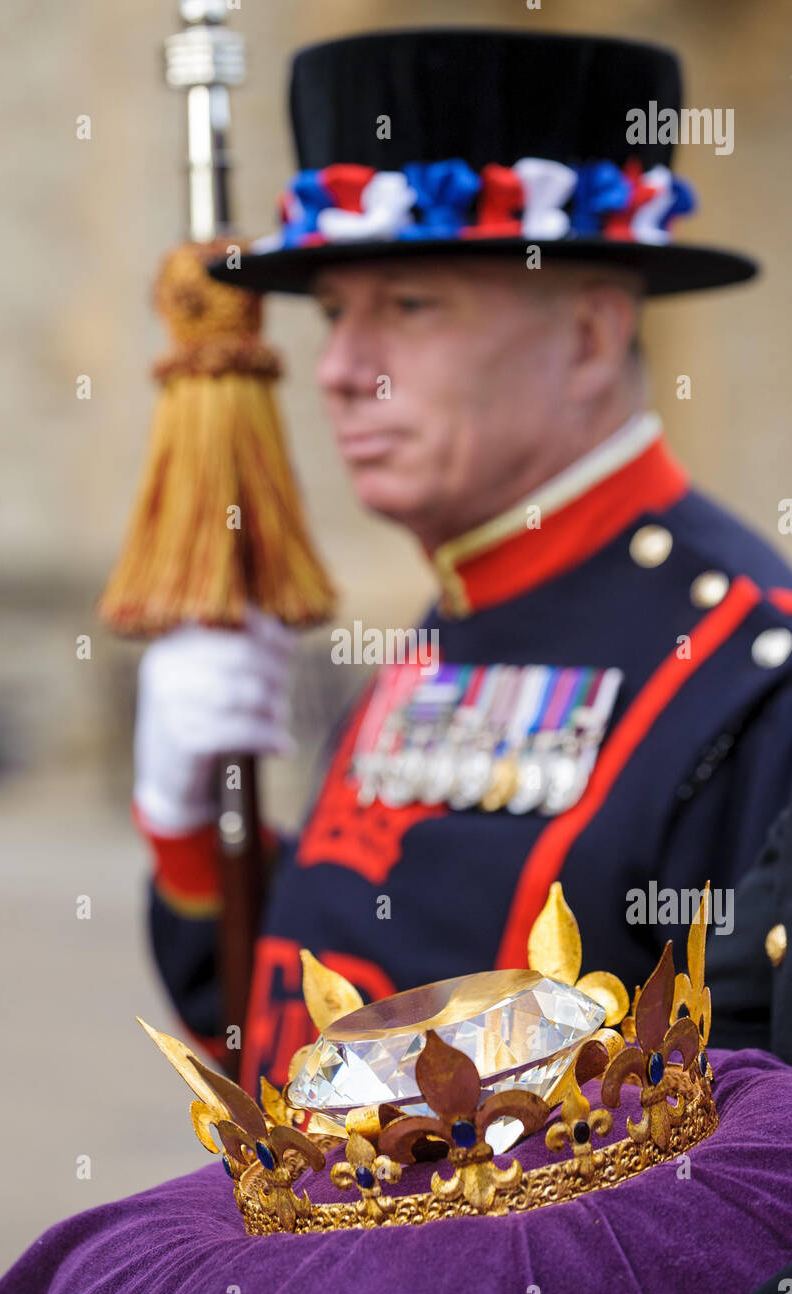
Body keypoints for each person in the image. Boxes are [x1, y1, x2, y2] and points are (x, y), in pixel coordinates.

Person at [132, 29, 792, 1095]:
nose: (340, 371)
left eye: (408, 307)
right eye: (336, 314)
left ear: (585, 339)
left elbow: (747, 1179)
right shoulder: (459, 608)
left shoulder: (747, 675)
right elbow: (301, 1068)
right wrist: (193, 831)